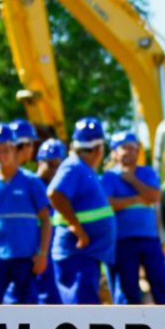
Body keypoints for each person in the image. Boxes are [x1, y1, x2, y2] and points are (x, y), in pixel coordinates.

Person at [0, 123, 51, 304]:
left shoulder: (31, 182)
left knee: (26, 311)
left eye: (6, 150)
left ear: (14, 149)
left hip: (25, 259)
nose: (2, 156)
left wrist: (42, 254)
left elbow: (45, 220)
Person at [102, 129, 165, 305]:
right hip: (123, 241)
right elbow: (109, 204)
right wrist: (136, 199)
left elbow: (155, 196)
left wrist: (132, 180)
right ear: (114, 152)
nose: (128, 151)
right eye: (123, 148)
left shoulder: (147, 173)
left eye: (132, 148)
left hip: (149, 240)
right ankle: (128, 325)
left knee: (161, 283)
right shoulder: (109, 177)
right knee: (127, 288)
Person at [47, 117, 116, 305]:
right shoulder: (74, 166)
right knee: (81, 309)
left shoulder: (83, 168)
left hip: (85, 255)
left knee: (85, 307)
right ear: (97, 149)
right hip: (77, 255)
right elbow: (54, 194)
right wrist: (77, 228)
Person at [32, 138, 67, 305]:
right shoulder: (31, 185)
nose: (54, 170)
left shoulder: (62, 189)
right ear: (39, 162)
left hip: (55, 252)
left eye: (58, 165)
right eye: (50, 164)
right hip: (36, 250)